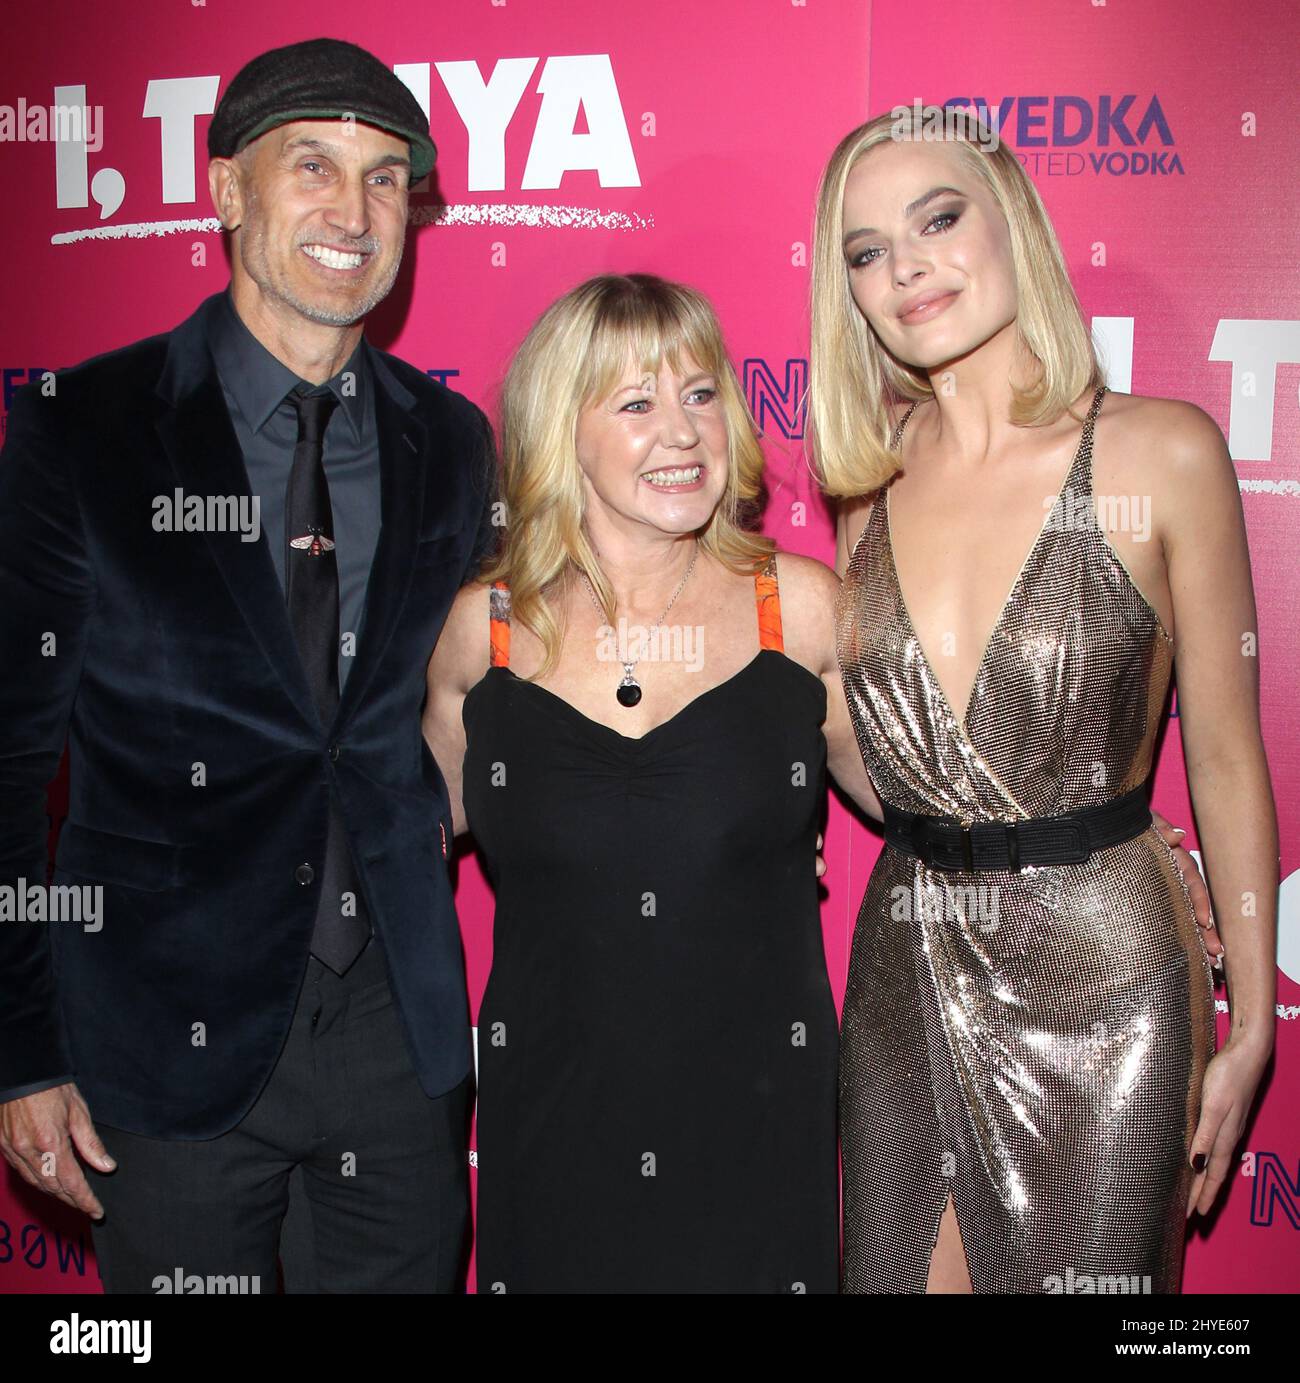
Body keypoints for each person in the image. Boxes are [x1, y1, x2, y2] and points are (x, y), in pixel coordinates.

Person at [0, 38, 495, 1293]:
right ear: (225, 189)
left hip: (396, 1032)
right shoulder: (85, 424)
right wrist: (19, 1052)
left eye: (387, 179)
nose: (355, 210)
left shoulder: (450, 439)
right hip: (162, 1035)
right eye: (312, 166)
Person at [812, 106, 1276, 1293]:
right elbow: (889, 763)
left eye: (937, 218)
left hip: (1107, 972)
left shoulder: (1159, 452)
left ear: (1013, 219)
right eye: (864, 250)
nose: (904, 266)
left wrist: (1255, 1022)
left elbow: (1223, 754)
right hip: (905, 964)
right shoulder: (865, 491)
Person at [423, 272, 887, 1293]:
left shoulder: (799, 613)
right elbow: (389, 849)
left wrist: (1110, 846)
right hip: (553, 1122)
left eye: (701, 394)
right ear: (561, 430)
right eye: (635, 403)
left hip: (757, 1119)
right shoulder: (484, 635)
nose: (682, 432)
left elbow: (932, 807)